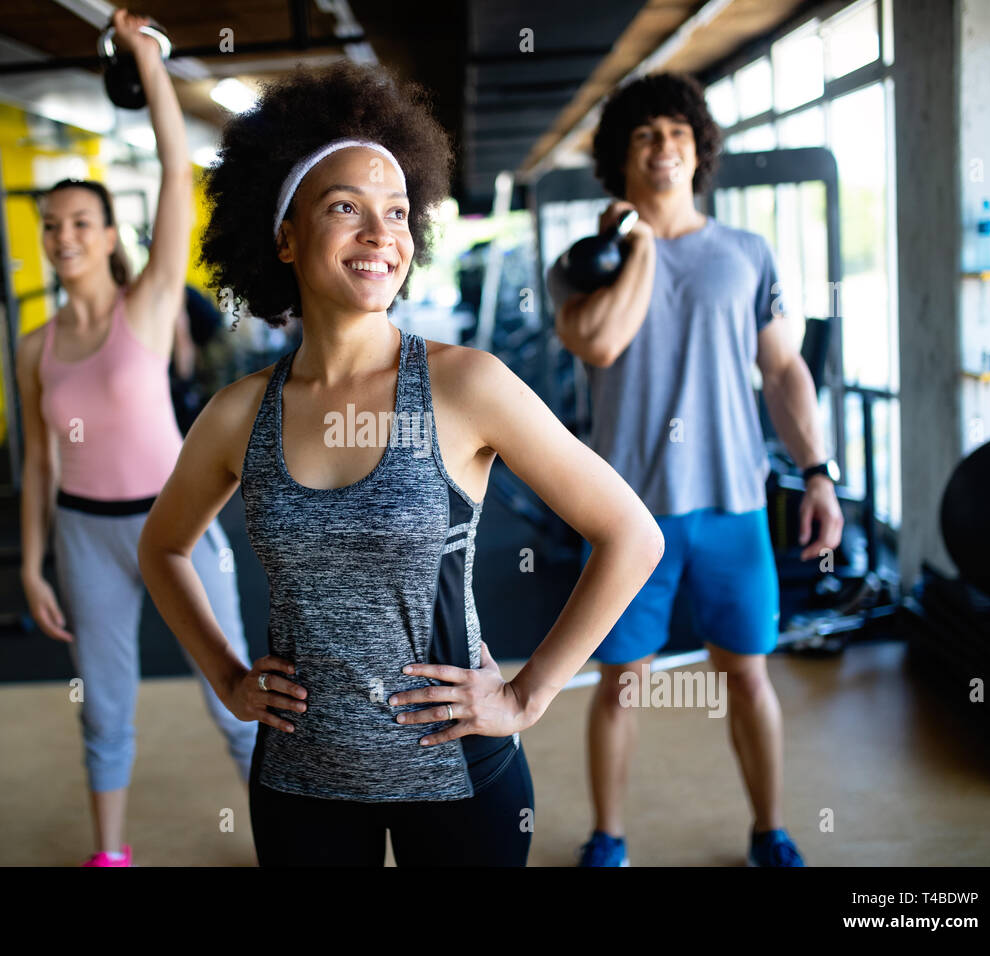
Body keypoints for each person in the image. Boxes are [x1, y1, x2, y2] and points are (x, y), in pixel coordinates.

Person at [137, 61, 664, 867]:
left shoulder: (466, 386)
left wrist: (528, 694)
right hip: (300, 782)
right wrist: (229, 677)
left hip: (458, 778)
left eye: (396, 212)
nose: (381, 234)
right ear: (284, 235)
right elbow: (162, 547)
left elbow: (631, 534)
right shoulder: (240, 412)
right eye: (344, 208)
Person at [547, 72, 845, 867]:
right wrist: (639, 245)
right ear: (621, 156)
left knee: (747, 677)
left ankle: (768, 831)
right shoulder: (586, 262)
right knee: (620, 683)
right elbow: (601, 342)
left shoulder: (746, 253)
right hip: (625, 516)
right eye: (646, 133)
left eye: (679, 132)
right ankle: (608, 839)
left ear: (699, 148)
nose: (665, 145)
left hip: (732, 506)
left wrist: (818, 471)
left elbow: (783, 373)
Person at [15, 8, 257, 868]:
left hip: (175, 526)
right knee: (104, 708)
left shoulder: (147, 305)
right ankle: (109, 856)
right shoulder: (35, 345)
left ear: (109, 236)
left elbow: (173, 177)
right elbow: (40, 460)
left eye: (81, 222)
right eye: (52, 225)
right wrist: (30, 560)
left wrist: (149, 62)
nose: (65, 235)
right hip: (82, 532)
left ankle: (286, 842)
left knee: (235, 698)